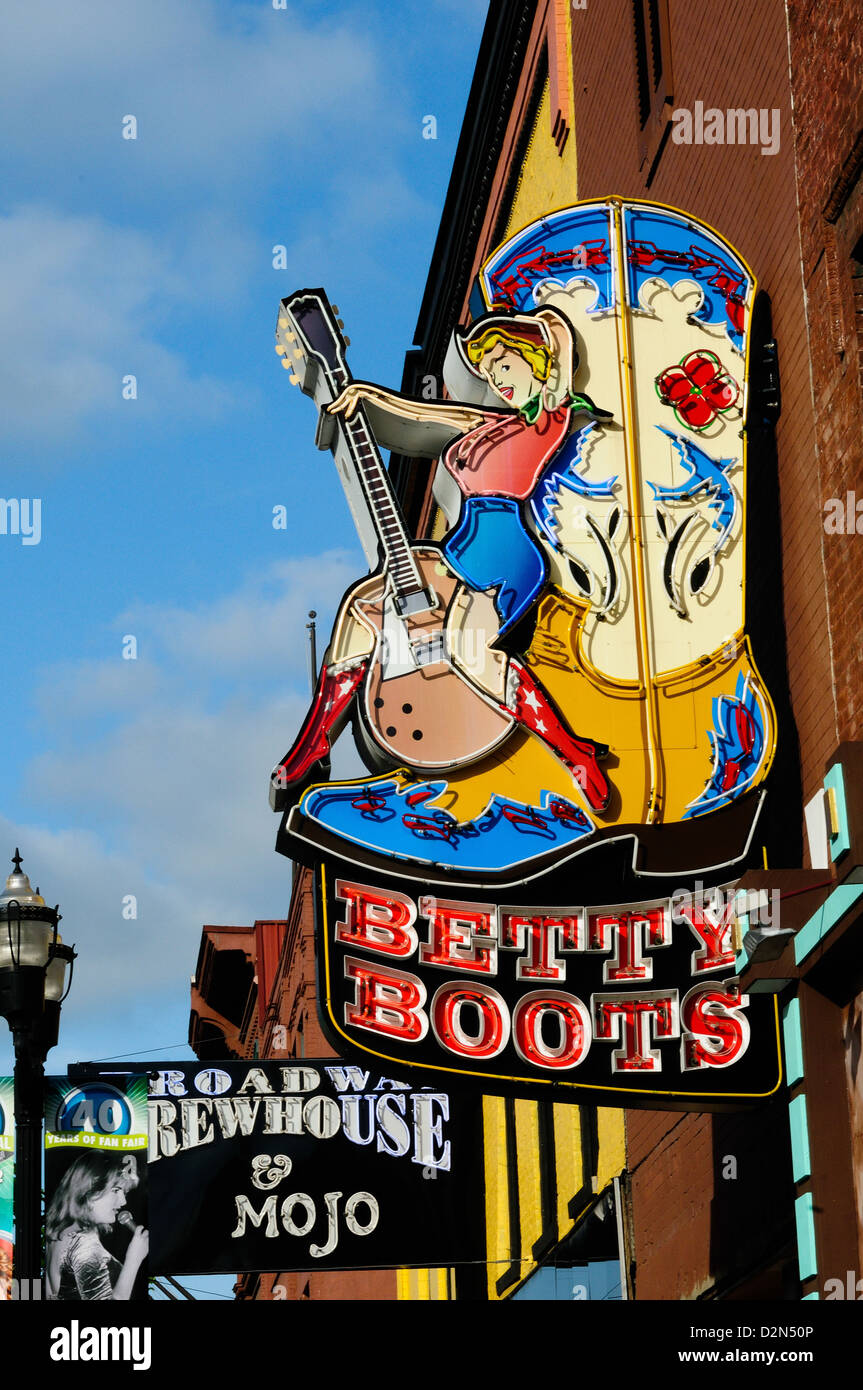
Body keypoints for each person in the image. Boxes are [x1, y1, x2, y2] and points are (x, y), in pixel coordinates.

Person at [45, 1153, 148, 1301]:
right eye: (116, 1190)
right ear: (88, 1191)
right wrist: (134, 1259)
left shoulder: (57, 1235)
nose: (123, 1201)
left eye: (124, 1192)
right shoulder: (84, 1243)